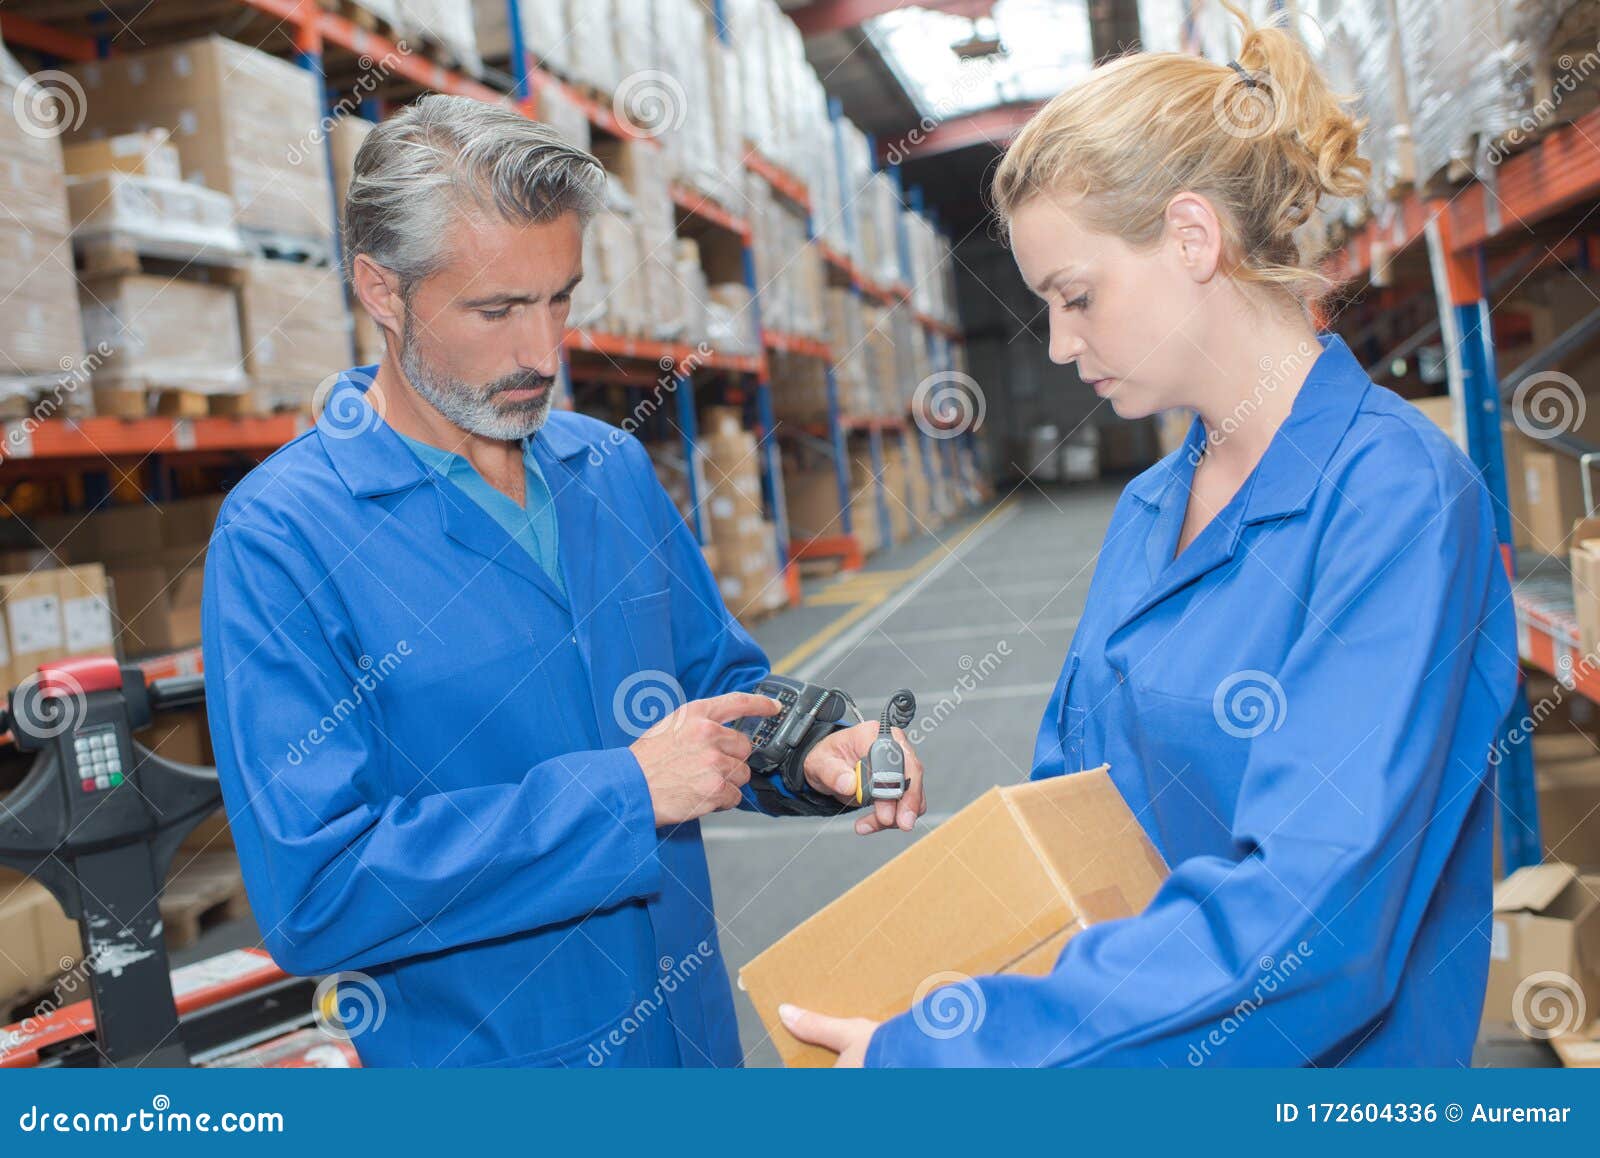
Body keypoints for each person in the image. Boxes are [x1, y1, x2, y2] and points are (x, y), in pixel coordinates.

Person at [781, 10, 1517, 1067]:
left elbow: (1310, 925)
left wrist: (961, 1061)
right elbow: (1074, 813)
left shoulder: (1394, 502)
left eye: (1076, 297)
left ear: (1191, 237)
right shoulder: (1151, 508)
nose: (1059, 343)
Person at [201, 95, 925, 1069]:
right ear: (382, 289)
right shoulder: (282, 538)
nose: (542, 354)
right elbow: (318, 888)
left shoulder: (606, 469)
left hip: (691, 1045)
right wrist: (624, 793)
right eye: (497, 310)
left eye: (560, 300)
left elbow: (716, 694)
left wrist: (812, 750)